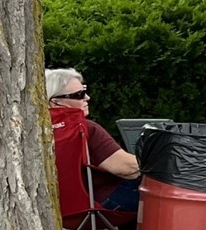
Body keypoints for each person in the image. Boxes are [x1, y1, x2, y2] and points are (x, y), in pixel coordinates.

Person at [46, 68, 140, 215]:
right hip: (97, 204)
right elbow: (127, 168)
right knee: (163, 190)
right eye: (79, 95)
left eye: (84, 90)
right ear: (56, 102)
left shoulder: (39, 132)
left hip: (61, 209)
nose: (87, 97)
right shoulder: (85, 128)